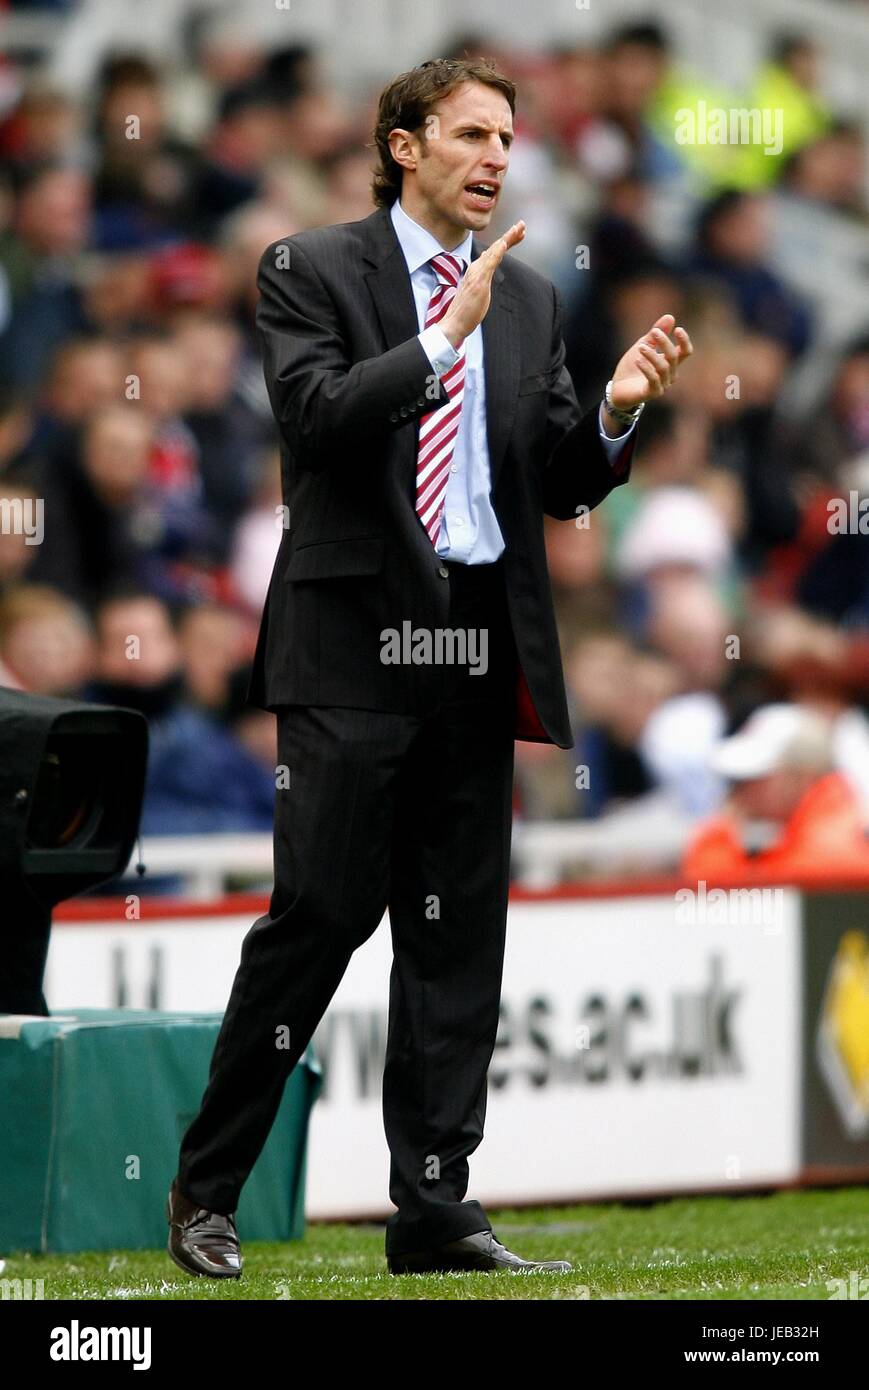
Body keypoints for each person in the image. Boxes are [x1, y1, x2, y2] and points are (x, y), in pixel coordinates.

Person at [167, 56, 691, 1279]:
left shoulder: (527, 305)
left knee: (456, 940)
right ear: (403, 146)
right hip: (353, 643)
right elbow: (313, 418)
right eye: (470, 134)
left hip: (474, 639)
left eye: (507, 138)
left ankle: (434, 1204)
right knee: (321, 919)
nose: (497, 157)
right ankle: (204, 1188)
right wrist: (437, 340)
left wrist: (611, 413)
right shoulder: (308, 268)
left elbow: (553, 480)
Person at [682, 703, 869, 884]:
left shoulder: (834, 836)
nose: (741, 791)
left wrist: (718, 838)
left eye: (757, 778)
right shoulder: (794, 833)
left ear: (802, 777)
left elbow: (729, 891)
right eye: (739, 780)